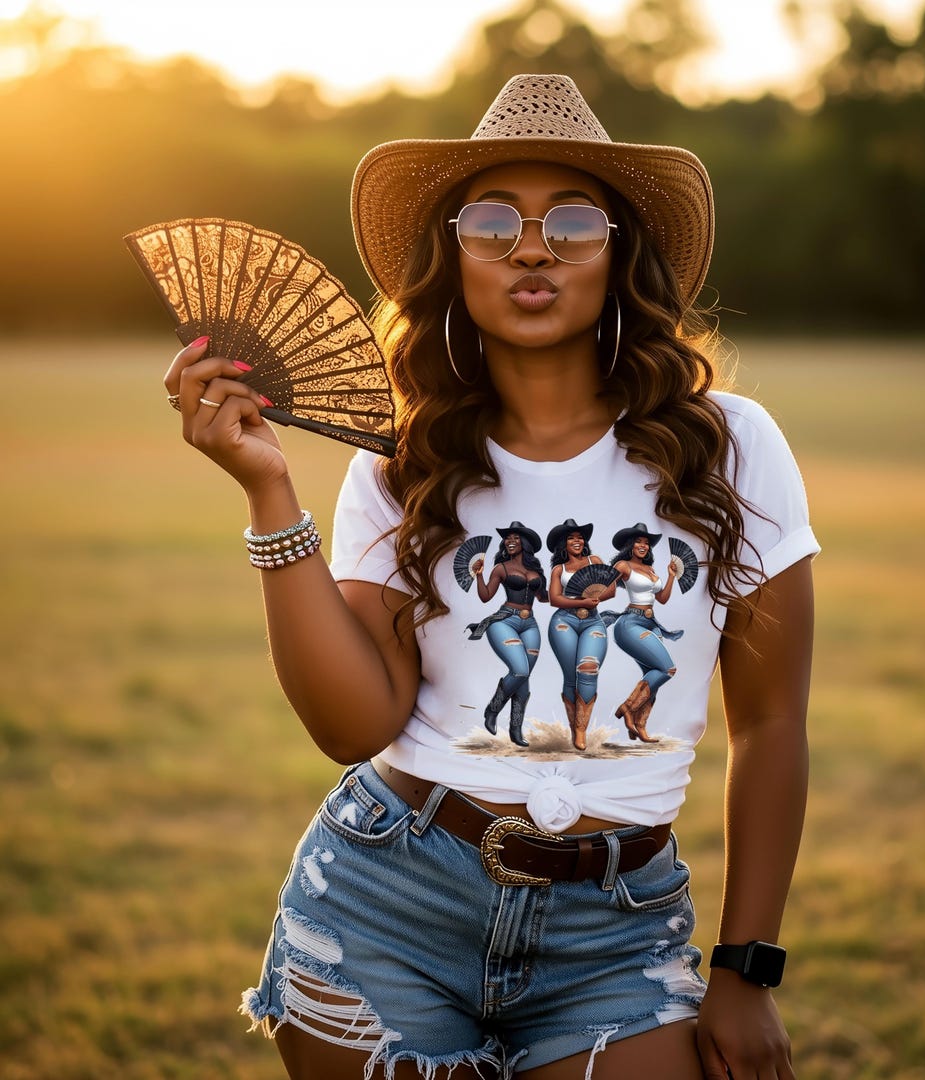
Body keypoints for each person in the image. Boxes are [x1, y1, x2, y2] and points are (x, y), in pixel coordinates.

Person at [163, 74, 819, 1080]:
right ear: (452, 257)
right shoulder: (399, 462)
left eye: (571, 220)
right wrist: (268, 493)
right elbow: (351, 726)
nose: (530, 245)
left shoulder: (730, 446)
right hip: (388, 900)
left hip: (619, 926)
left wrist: (746, 967)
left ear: (619, 253)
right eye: (490, 220)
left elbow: (770, 724)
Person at [467, 522, 549, 746]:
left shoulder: (536, 571)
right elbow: (485, 597)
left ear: (526, 543)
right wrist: (480, 576)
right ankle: (492, 710)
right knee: (520, 670)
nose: (510, 541)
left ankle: (516, 729)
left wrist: (571, 590)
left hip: (530, 624)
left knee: (524, 678)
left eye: (516, 537)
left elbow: (544, 598)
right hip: (504, 620)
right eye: (507, 537)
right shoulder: (501, 568)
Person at [544, 518, 617, 751]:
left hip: (593, 621)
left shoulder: (595, 561)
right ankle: (574, 728)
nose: (577, 541)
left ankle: (581, 729)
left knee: (588, 669)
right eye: (570, 538)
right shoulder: (559, 570)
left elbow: (611, 588)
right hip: (564, 622)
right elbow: (555, 599)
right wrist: (581, 600)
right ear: (562, 544)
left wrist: (595, 599)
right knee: (569, 676)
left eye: (579, 537)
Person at [609, 524, 683, 744]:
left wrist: (671, 576)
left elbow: (662, 599)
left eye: (646, 542)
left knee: (655, 675)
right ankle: (628, 707)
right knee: (667, 668)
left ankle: (640, 726)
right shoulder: (623, 565)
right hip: (629, 624)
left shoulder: (651, 571)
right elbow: (606, 587)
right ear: (630, 545)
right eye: (638, 541)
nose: (642, 545)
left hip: (649, 624)